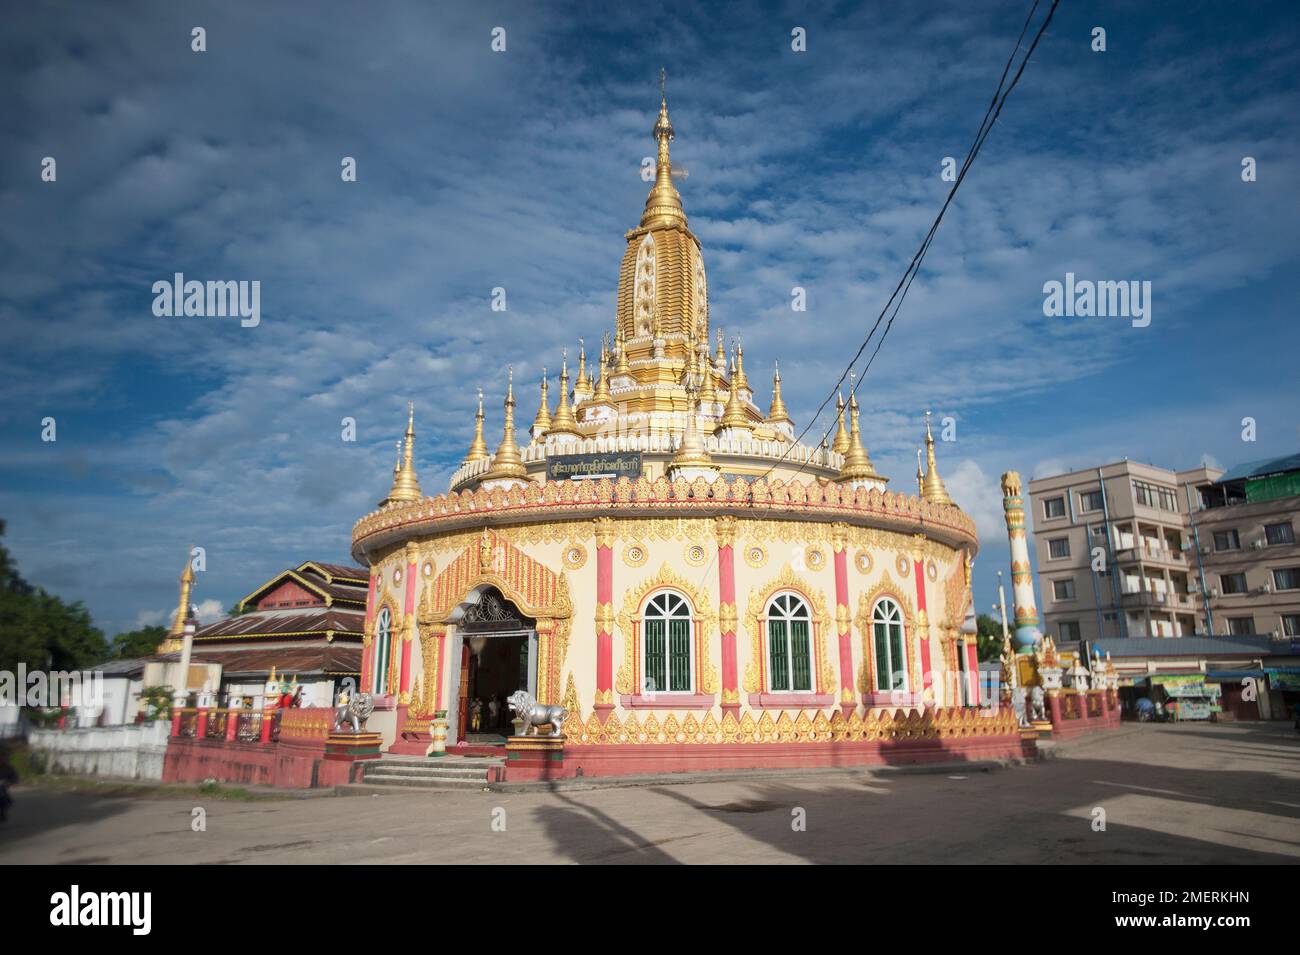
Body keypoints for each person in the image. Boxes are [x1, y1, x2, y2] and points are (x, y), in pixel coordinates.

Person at [0, 745, 17, 823]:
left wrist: (9, 782)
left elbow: (14, 778)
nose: (2, 759)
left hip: (2, 787)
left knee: (7, 800)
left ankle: (2, 812)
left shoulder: (9, 768)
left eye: (3, 758)